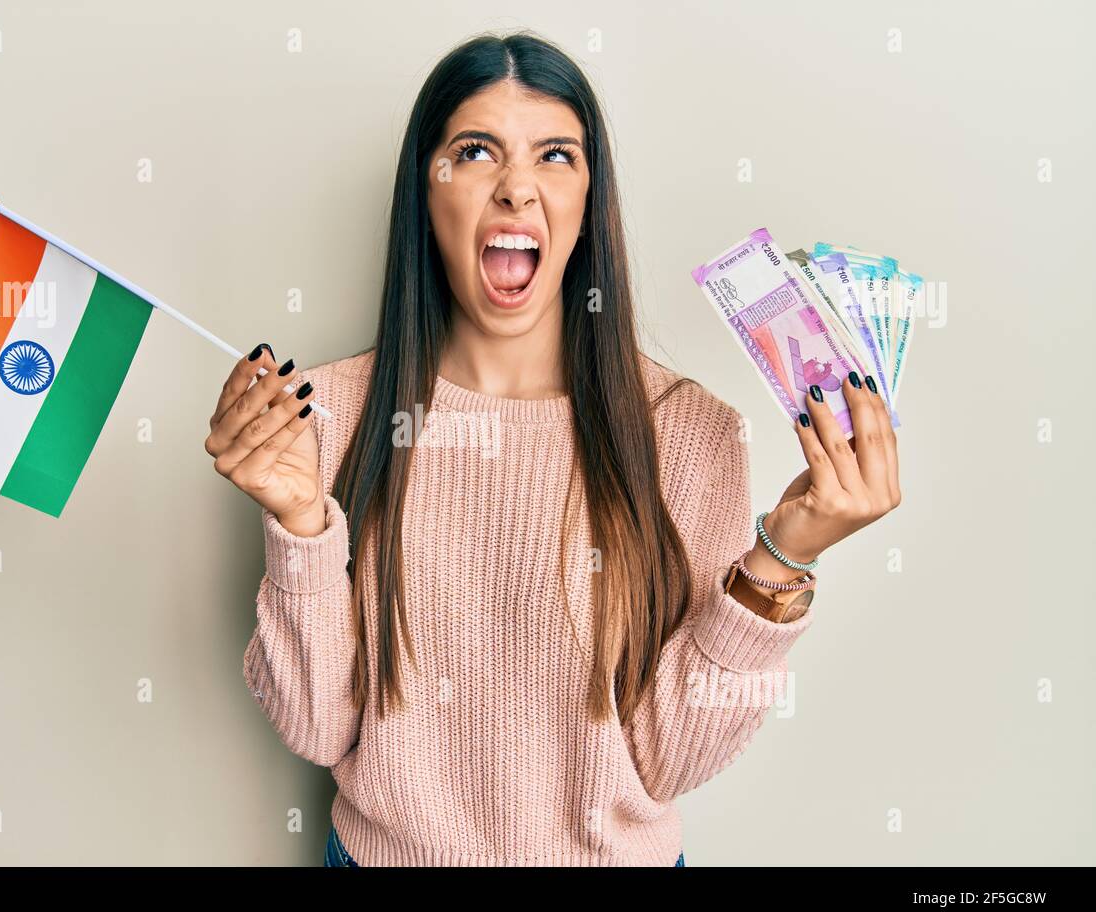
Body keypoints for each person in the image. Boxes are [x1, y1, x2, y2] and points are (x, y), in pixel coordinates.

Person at [204, 31, 901, 867]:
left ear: (586, 200)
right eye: (475, 151)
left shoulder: (692, 434)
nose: (516, 190)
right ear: (426, 192)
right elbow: (318, 727)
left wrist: (783, 559)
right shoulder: (328, 415)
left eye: (555, 156)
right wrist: (302, 530)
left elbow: (665, 762)